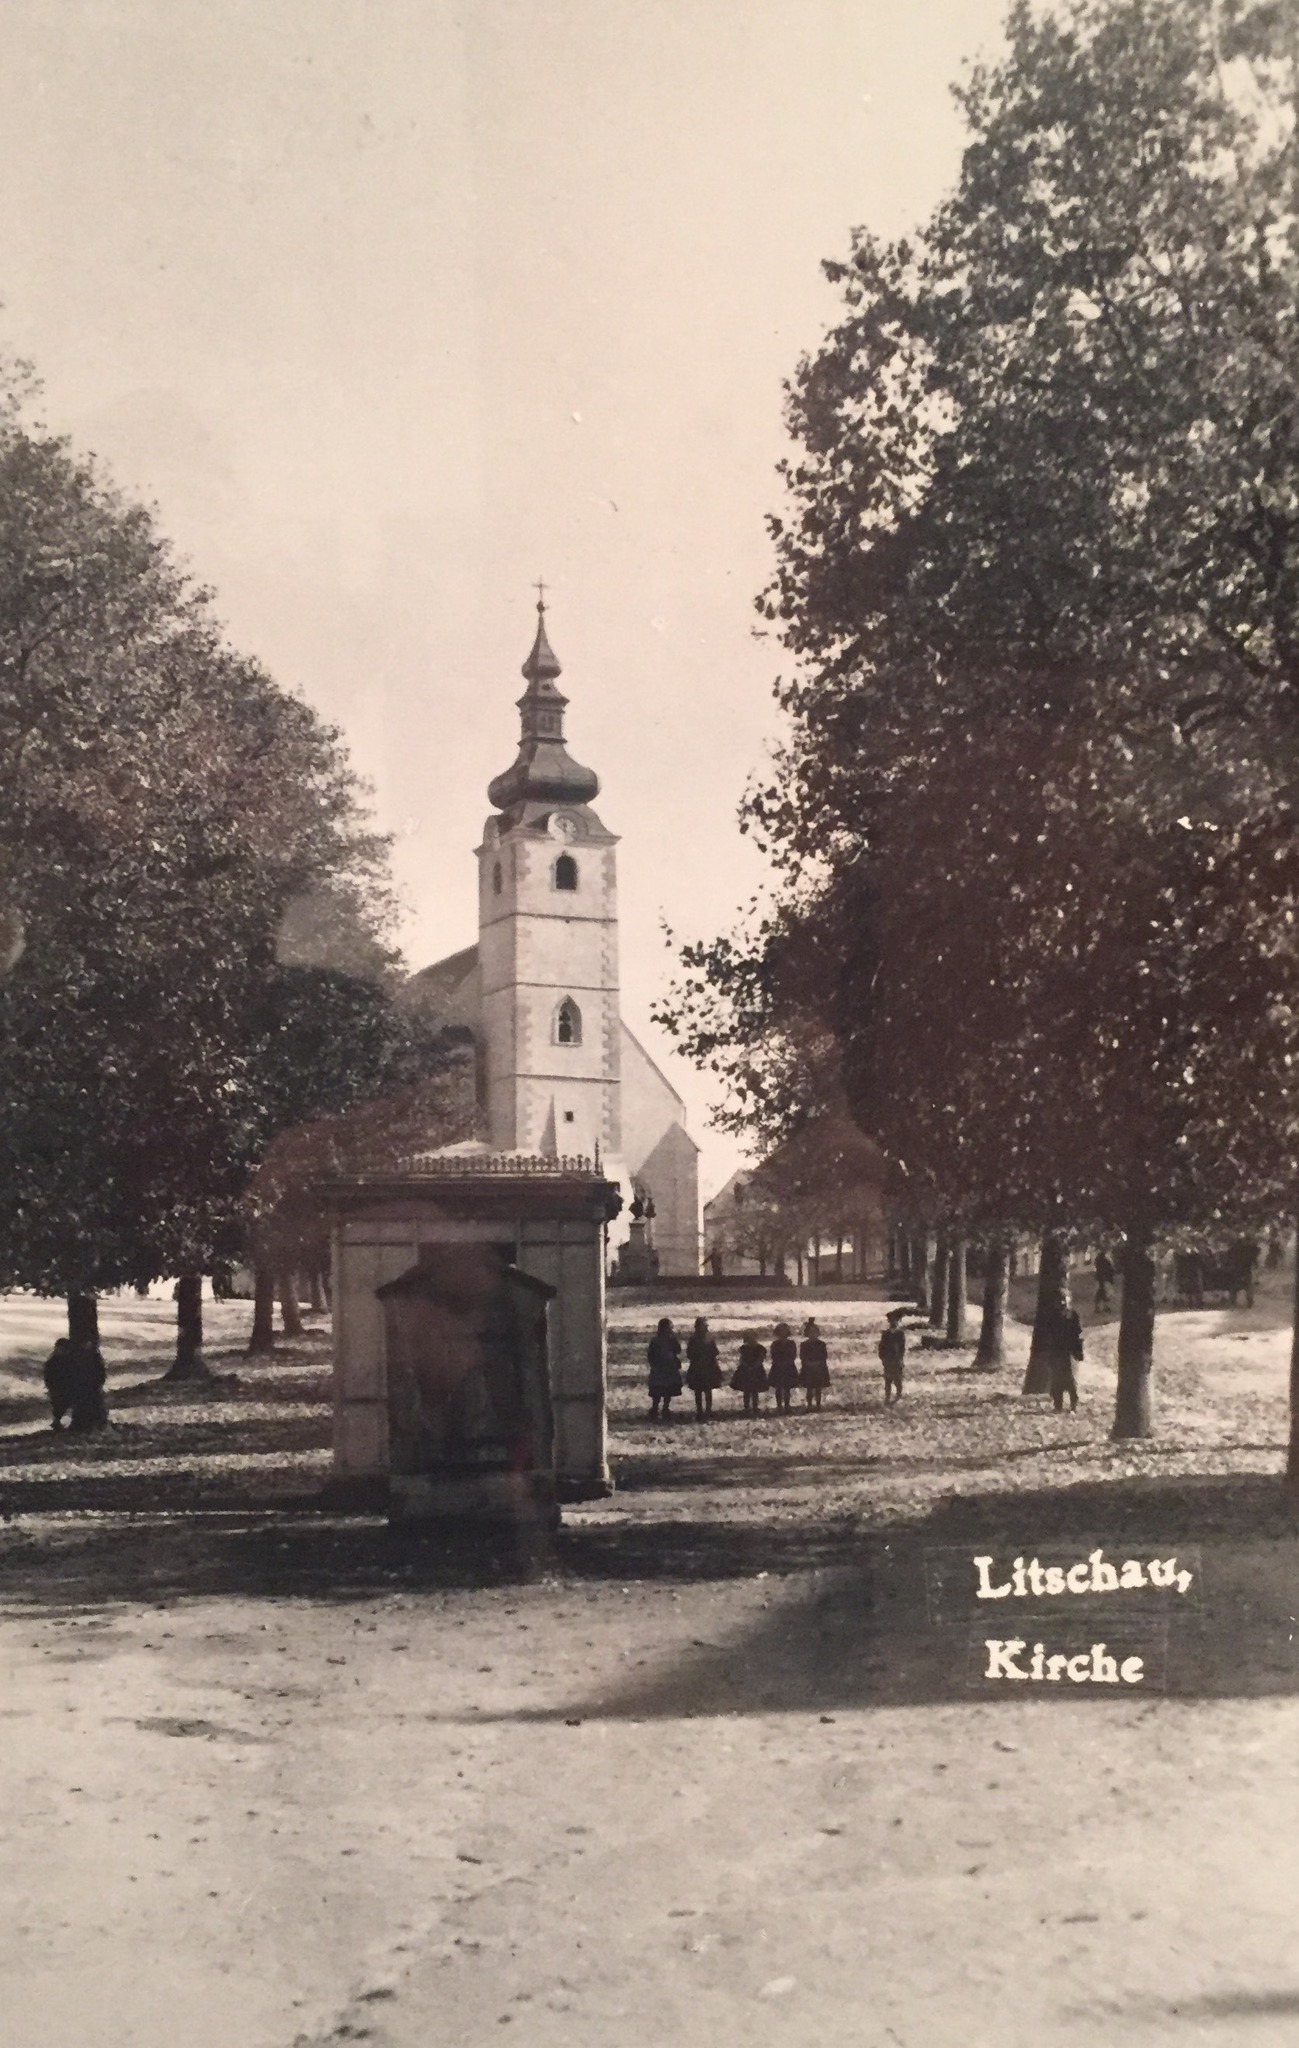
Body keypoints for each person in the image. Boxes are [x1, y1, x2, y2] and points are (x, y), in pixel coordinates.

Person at [66, 1336, 109, 1432]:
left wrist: (99, 1382)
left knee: (93, 1403)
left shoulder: (93, 1357)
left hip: (92, 1386)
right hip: (85, 1387)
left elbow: (101, 1372)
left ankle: (95, 1423)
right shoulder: (81, 1357)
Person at [685, 1316, 723, 1419]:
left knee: (708, 1390)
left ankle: (708, 1410)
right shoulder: (694, 1339)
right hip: (697, 1367)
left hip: (708, 1367)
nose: (706, 1327)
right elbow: (689, 1353)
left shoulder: (709, 1338)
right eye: (704, 1325)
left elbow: (715, 1351)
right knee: (698, 1390)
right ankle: (700, 1411)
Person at [646, 1317, 683, 1421]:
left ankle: (665, 1409)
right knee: (657, 1391)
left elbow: (678, 1350)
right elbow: (651, 1355)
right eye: (669, 1328)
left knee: (668, 1391)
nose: (670, 1330)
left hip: (670, 1368)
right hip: (659, 1369)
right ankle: (655, 1409)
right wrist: (654, 1364)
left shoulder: (672, 1340)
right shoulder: (655, 1341)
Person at [1050, 1305, 1085, 1413]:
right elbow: (1050, 1333)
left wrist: (1078, 1350)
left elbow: (1078, 1333)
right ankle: (1058, 1405)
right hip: (1057, 1351)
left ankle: (1073, 1404)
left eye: (1065, 1299)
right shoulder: (1053, 1315)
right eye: (1060, 1300)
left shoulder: (1073, 1315)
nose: (1062, 1302)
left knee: (1071, 1379)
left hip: (1070, 1351)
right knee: (1057, 1380)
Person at [42, 1338, 76, 1432]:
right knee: (58, 1404)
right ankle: (57, 1421)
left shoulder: (68, 1361)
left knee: (65, 1403)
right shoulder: (53, 1361)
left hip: (66, 1386)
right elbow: (48, 1374)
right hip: (56, 1386)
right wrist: (50, 1385)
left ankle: (58, 1421)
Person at [730, 1332, 768, 1415]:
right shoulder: (744, 1348)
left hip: (756, 1370)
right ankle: (747, 1407)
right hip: (746, 1370)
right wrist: (746, 1366)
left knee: (755, 1390)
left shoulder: (760, 1348)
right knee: (746, 1390)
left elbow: (761, 1358)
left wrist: (753, 1366)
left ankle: (755, 1407)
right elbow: (742, 1359)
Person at [799, 1318, 830, 1409]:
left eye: (814, 1332)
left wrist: (817, 1363)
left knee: (818, 1388)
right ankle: (809, 1404)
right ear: (807, 1334)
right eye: (810, 1332)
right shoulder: (804, 1345)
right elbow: (802, 1357)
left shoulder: (821, 1344)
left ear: (818, 1333)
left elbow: (824, 1356)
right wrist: (808, 1363)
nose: (812, 1334)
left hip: (819, 1367)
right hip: (808, 1368)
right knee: (809, 1388)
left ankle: (818, 1404)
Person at [879, 1310, 908, 1403]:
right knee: (888, 1379)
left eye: (895, 1320)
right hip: (888, 1358)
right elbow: (882, 1346)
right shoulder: (886, 1334)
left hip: (896, 1359)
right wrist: (882, 1356)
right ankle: (887, 1396)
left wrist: (900, 1358)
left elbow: (902, 1347)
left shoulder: (900, 1334)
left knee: (897, 1378)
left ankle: (898, 1394)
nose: (893, 1322)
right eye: (891, 1321)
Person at [1094, 1249, 1115, 1314]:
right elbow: (1111, 1269)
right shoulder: (1107, 1261)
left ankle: (1098, 1307)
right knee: (1105, 1293)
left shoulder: (1098, 1260)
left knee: (1099, 1294)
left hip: (1100, 1279)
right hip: (1106, 1279)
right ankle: (1105, 1307)